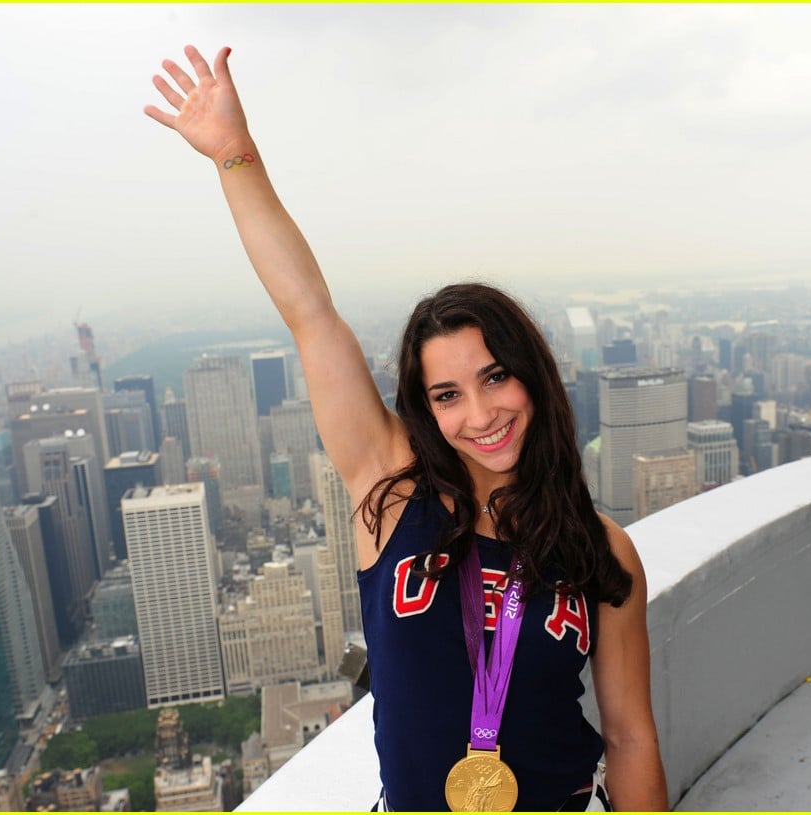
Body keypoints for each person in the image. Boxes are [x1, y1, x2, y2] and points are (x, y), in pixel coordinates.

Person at [145, 45, 668, 812]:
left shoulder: (603, 549)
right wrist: (235, 155)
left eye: (496, 376)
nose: (482, 414)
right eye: (449, 393)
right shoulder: (391, 493)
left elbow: (629, 736)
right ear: (426, 409)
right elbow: (310, 312)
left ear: (534, 378)